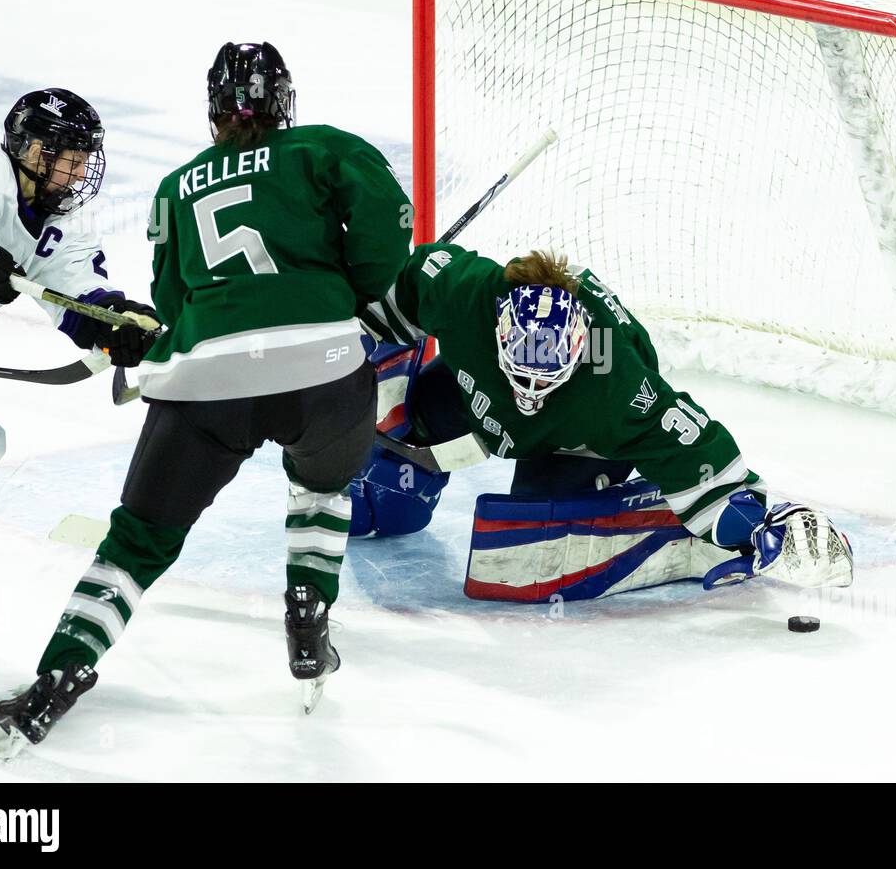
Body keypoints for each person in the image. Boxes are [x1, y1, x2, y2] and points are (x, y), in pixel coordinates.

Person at [0, 42, 412, 760]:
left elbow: (177, 306)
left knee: (137, 542)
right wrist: (358, 300)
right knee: (322, 490)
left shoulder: (176, 187)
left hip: (207, 378)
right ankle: (308, 617)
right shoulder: (327, 150)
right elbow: (384, 240)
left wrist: (156, 354)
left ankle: (55, 680)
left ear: (214, 112)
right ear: (285, 103)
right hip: (326, 369)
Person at [353, 242, 854, 601]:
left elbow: (691, 446)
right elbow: (391, 286)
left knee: (520, 556)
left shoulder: (614, 382)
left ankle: (671, 532)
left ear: (578, 346)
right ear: (499, 325)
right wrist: (350, 324)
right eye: (522, 372)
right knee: (389, 470)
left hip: (576, 440)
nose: (531, 394)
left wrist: (758, 525)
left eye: (546, 376)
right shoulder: (464, 293)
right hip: (480, 389)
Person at [0, 89, 156, 608]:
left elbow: (79, 299)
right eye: (68, 158)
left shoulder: (62, 228)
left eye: (84, 160)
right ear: (32, 150)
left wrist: (118, 325)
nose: (77, 172)